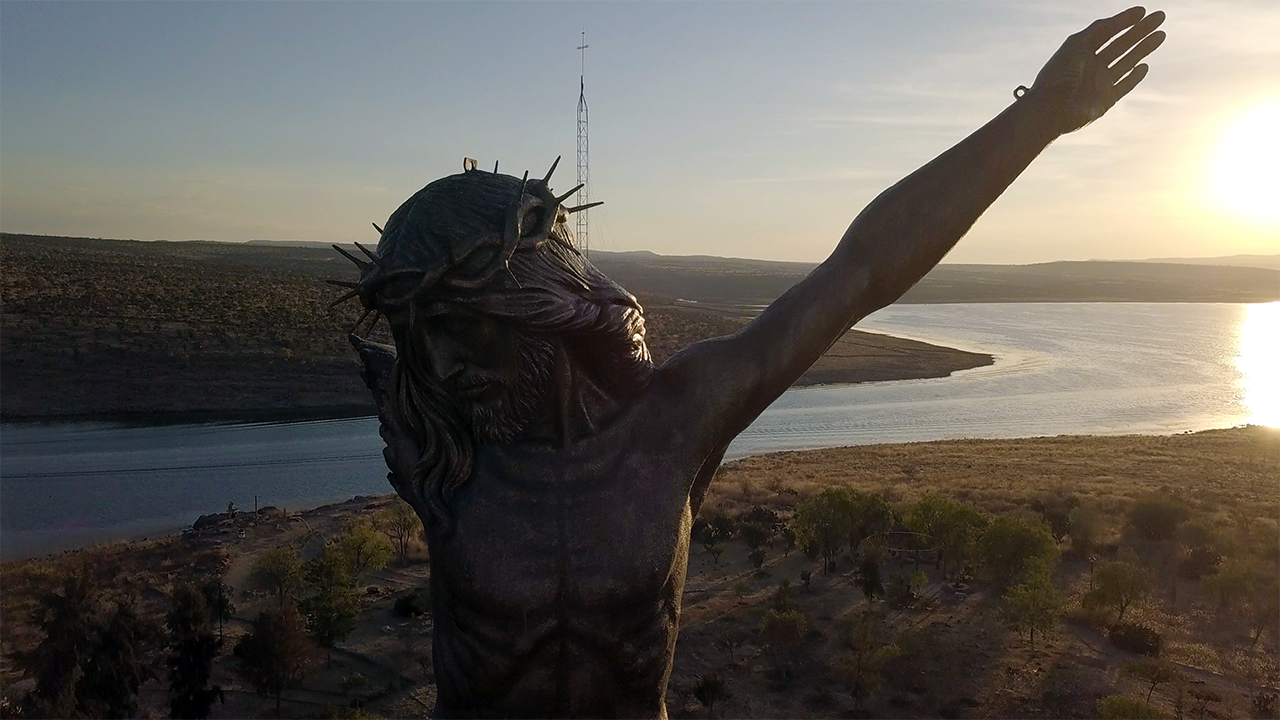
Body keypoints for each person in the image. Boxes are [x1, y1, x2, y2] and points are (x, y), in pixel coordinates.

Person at [333, 8, 1166, 718]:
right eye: (419, 334)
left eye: (458, 326)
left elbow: (860, 272)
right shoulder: (446, 446)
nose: (437, 360)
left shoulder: (676, 423)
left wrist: (1035, 118)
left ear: (538, 303)